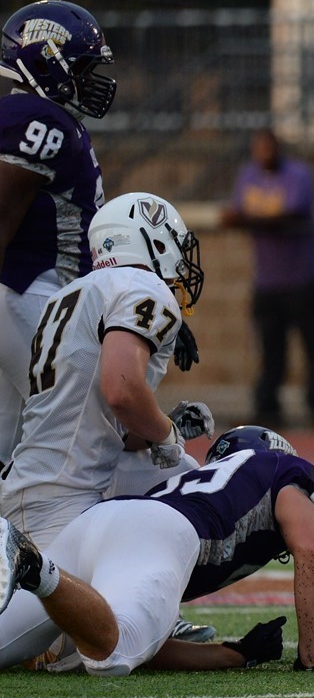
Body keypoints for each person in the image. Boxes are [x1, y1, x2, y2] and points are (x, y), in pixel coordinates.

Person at [0, 425, 314, 675]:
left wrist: (238, 654)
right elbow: (312, 549)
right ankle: (35, 566)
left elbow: (150, 650)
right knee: (111, 660)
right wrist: (312, 658)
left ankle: (33, 561)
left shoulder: (207, 489)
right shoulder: (283, 469)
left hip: (101, 523)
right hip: (160, 531)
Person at [1, 193, 209, 549]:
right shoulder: (142, 285)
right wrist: (167, 434)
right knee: (208, 489)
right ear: (152, 239)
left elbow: (93, 423)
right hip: (63, 509)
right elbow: (122, 392)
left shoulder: (67, 295)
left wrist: (153, 426)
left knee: (172, 468)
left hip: (31, 491)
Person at [0, 0, 113, 467]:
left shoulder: (47, 119)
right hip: (29, 296)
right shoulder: (37, 119)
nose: (94, 81)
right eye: (84, 68)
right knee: (87, 434)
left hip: (30, 297)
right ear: (47, 63)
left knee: (12, 446)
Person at [223, 129, 314, 431]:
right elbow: (237, 211)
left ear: (278, 149)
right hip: (268, 280)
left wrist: (246, 218)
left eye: (269, 148)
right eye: (259, 149)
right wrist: (245, 218)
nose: (264, 154)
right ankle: (268, 410)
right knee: (271, 352)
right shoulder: (248, 175)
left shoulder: (298, 174)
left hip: (305, 277)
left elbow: (292, 215)